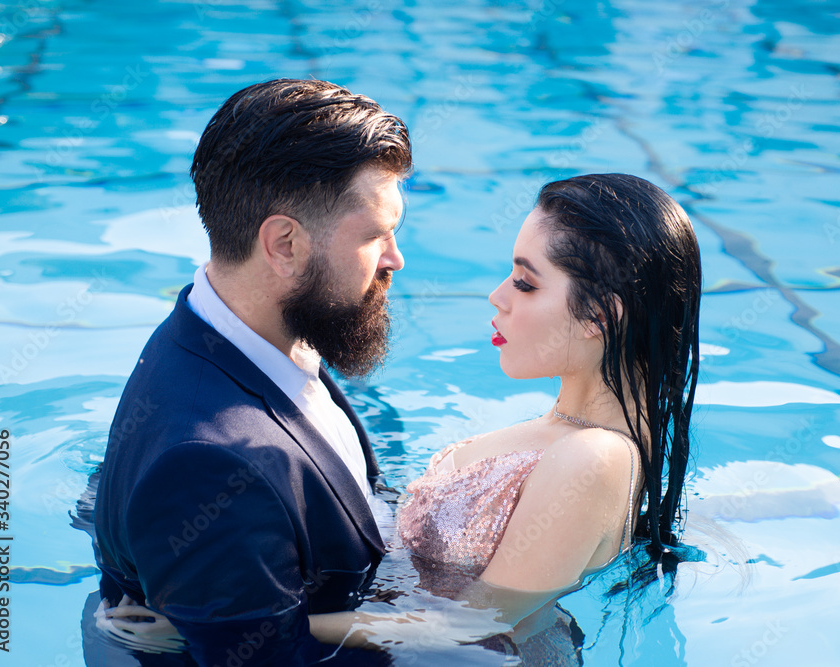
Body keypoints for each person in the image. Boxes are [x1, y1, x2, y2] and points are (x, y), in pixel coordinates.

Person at [108, 173, 703, 664]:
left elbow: (472, 624)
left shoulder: (594, 458)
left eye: (525, 283)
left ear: (600, 315)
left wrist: (233, 624)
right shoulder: (567, 435)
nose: (497, 295)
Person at [90, 78, 412, 665]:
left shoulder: (239, 333)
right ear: (285, 243)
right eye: (375, 236)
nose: (395, 258)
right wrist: (425, 629)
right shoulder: (207, 464)